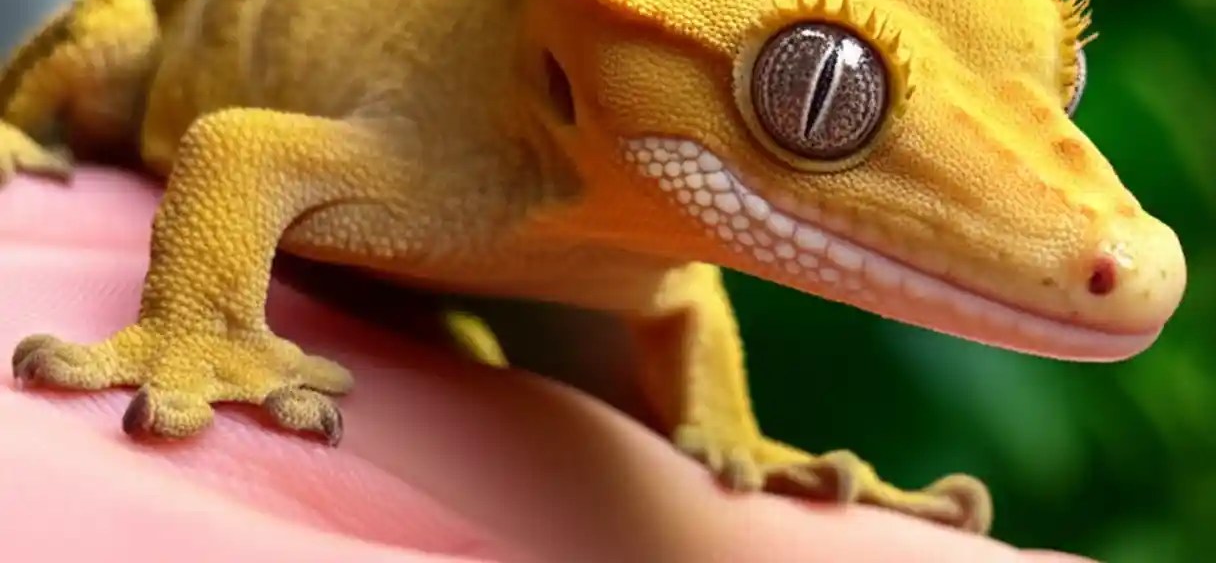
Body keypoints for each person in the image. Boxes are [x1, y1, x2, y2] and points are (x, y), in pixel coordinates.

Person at [0, 168, 1092, 562]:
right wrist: (197, 327)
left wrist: (724, 438)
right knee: (108, 32)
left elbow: (676, 287)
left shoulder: (631, 236)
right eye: (819, 101)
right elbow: (239, 144)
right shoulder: (474, 168)